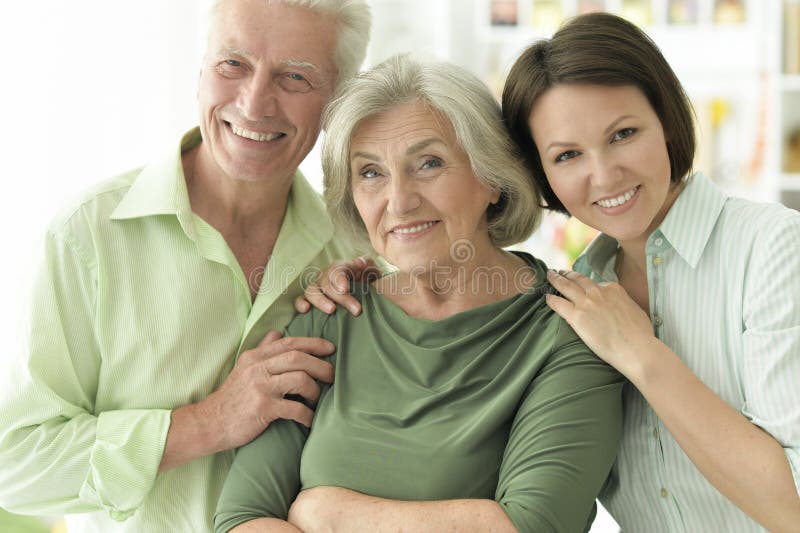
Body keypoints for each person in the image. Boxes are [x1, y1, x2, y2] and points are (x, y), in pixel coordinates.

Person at [213, 54, 624, 533]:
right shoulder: (329, 317)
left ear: (491, 177)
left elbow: (532, 526)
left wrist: (327, 514)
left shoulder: (569, 331)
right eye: (370, 173)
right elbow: (242, 519)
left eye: (428, 163)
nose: (399, 201)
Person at [0, 1, 370, 531]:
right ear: (200, 70)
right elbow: (15, 463)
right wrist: (211, 422)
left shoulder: (357, 256)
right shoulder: (87, 236)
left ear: (338, 103)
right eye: (233, 64)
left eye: (294, 76)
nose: (254, 102)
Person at [500, 12, 800, 533]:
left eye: (623, 134)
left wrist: (640, 353)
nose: (603, 174)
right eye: (568, 154)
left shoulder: (775, 248)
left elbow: (793, 505)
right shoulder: (575, 298)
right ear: (541, 174)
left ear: (666, 119)